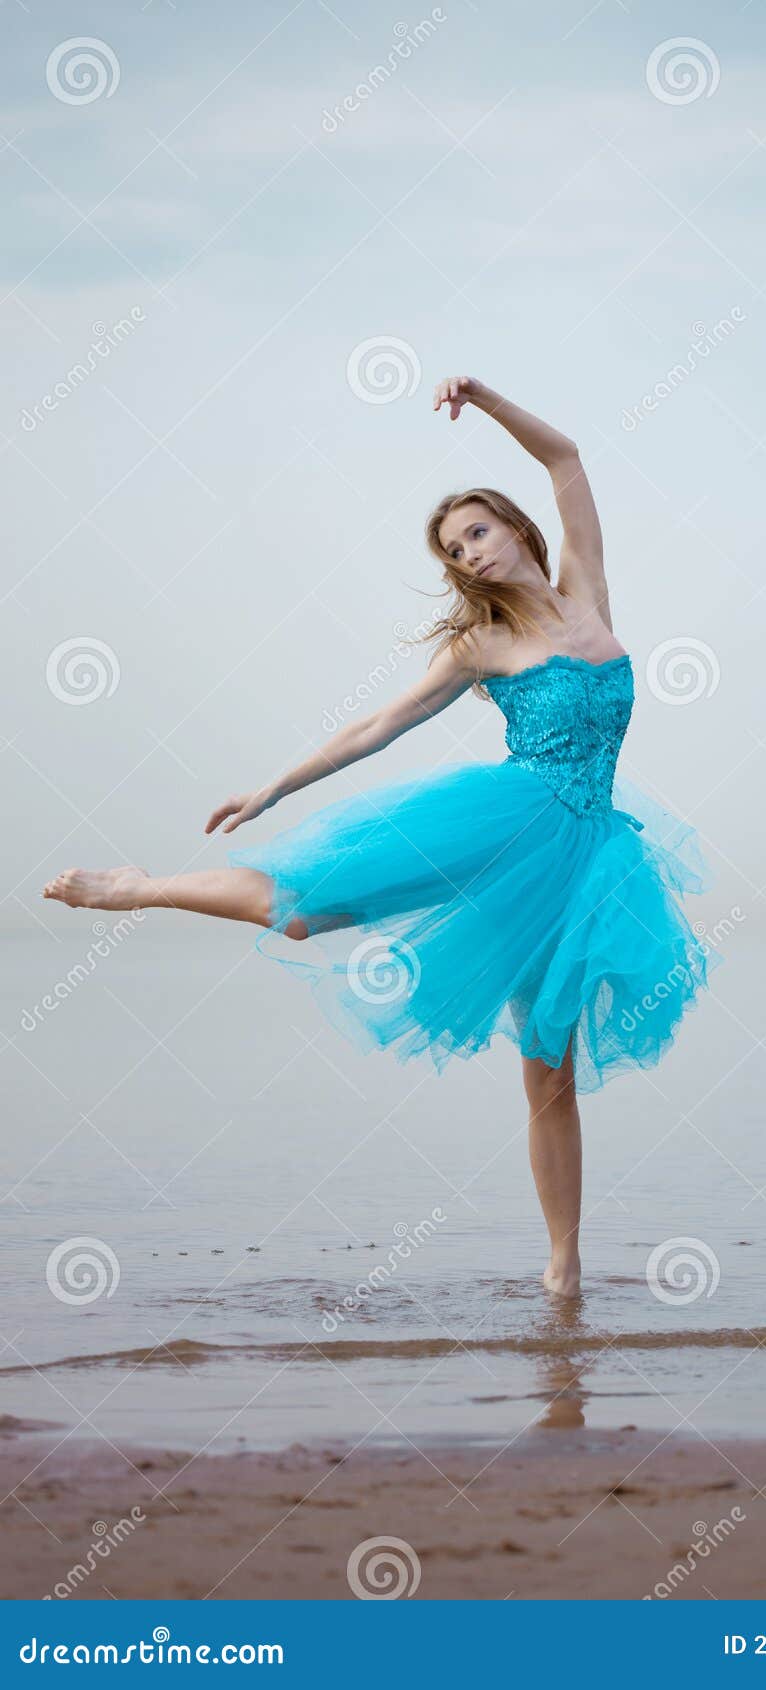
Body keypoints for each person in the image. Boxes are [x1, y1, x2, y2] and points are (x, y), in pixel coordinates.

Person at [43, 376, 720, 1295]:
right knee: (300, 912)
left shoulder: (588, 591)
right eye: (454, 549)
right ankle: (138, 889)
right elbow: (376, 729)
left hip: (590, 855)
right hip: (504, 826)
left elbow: (564, 457)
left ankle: (562, 1271)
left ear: (517, 529)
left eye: (477, 531)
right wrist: (275, 785)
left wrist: (481, 398)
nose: (470, 554)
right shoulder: (480, 646)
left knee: (547, 1069)